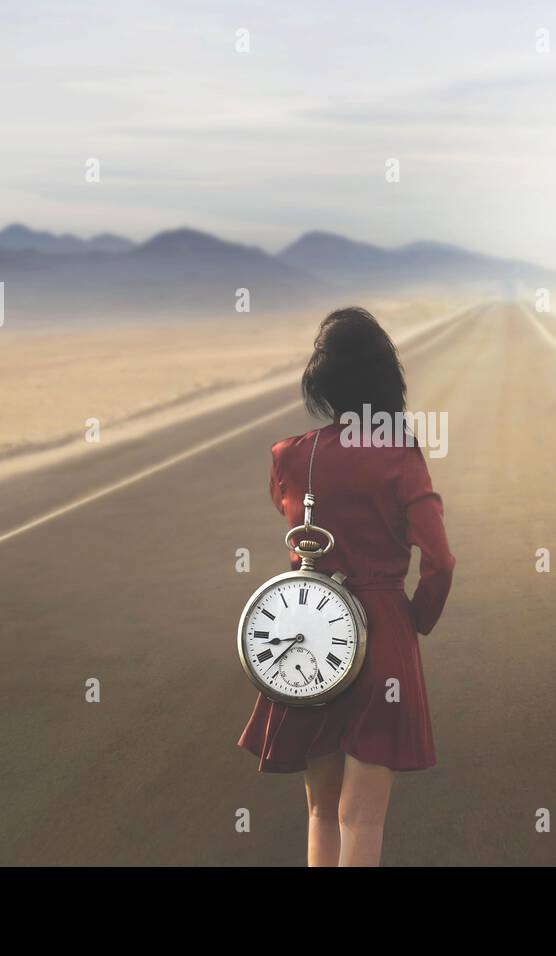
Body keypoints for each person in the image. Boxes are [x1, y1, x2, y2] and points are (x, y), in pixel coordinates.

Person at [238, 306, 455, 866]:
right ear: (387, 379)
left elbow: (295, 530)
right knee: (362, 817)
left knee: (321, 811)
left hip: (310, 634)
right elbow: (440, 561)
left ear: (322, 381)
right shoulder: (399, 456)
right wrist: (415, 621)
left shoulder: (290, 456)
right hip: (382, 634)